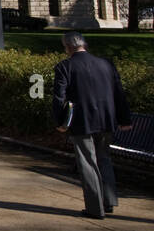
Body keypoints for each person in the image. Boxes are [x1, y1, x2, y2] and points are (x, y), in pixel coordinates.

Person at [52, 31, 132, 219]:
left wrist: (59, 122)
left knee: (87, 162)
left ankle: (95, 207)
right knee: (104, 158)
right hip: (106, 119)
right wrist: (124, 119)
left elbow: (59, 98)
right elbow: (119, 93)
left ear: (67, 47)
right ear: (84, 45)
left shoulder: (65, 66)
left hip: (83, 121)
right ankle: (109, 200)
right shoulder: (106, 64)